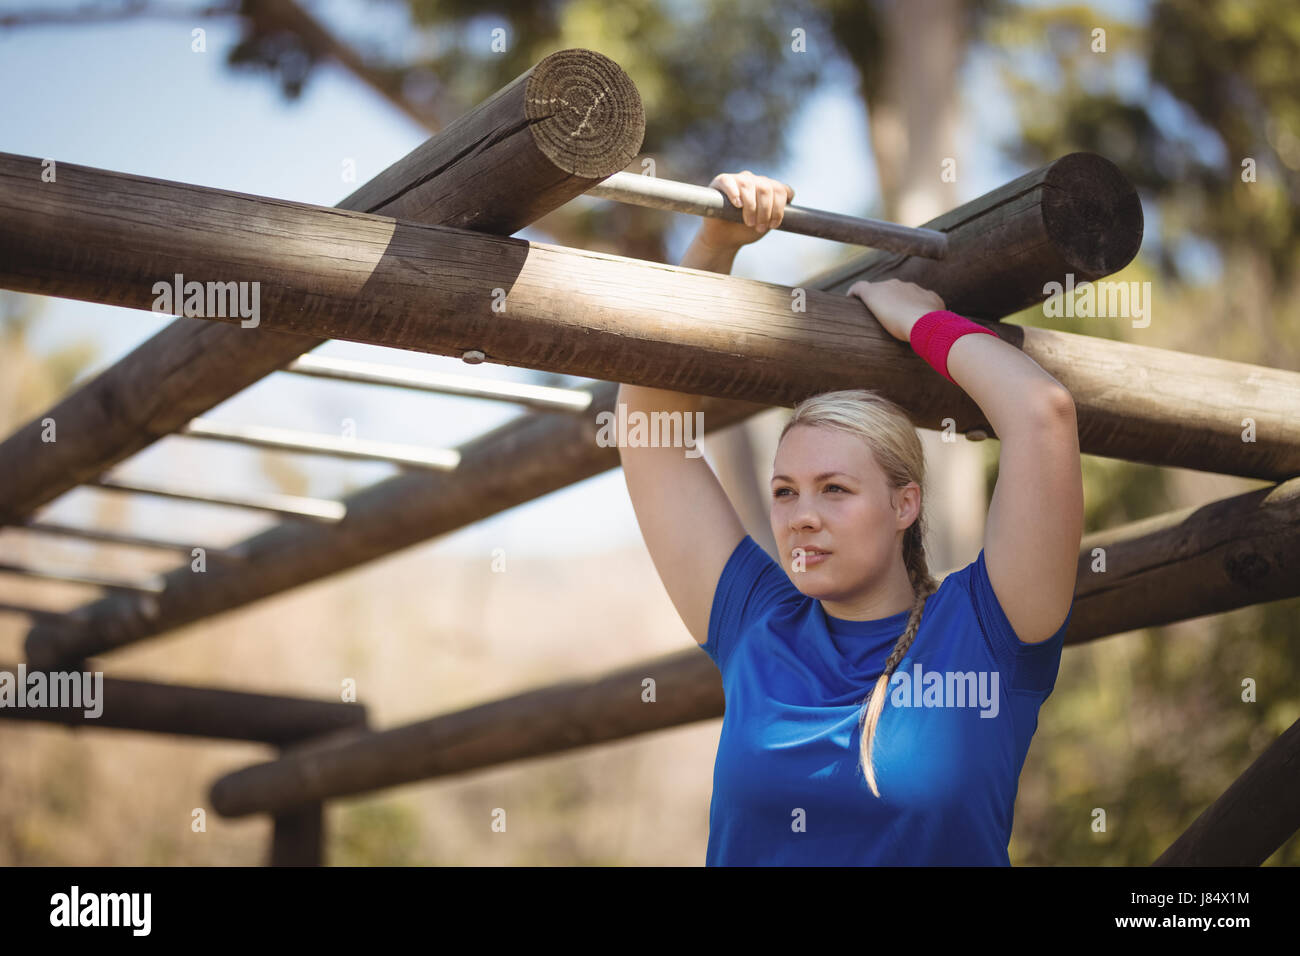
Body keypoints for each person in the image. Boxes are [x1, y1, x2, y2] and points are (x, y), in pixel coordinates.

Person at [616, 170, 1085, 866]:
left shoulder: (987, 629)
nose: (801, 517)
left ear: (906, 503)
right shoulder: (755, 623)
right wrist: (715, 247)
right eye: (784, 492)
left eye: (834, 489)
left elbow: (1042, 412)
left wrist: (917, 320)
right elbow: (649, 427)